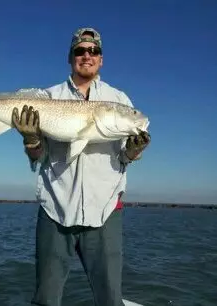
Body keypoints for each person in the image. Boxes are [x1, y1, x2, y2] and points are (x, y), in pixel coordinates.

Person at [12, 28, 150, 306]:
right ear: (70, 57)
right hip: (56, 208)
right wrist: (30, 139)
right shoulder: (48, 97)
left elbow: (123, 158)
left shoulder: (119, 99)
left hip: (105, 210)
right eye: (80, 50)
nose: (87, 55)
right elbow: (37, 157)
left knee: (110, 299)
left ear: (101, 59)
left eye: (93, 51)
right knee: (46, 299)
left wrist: (133, 152)